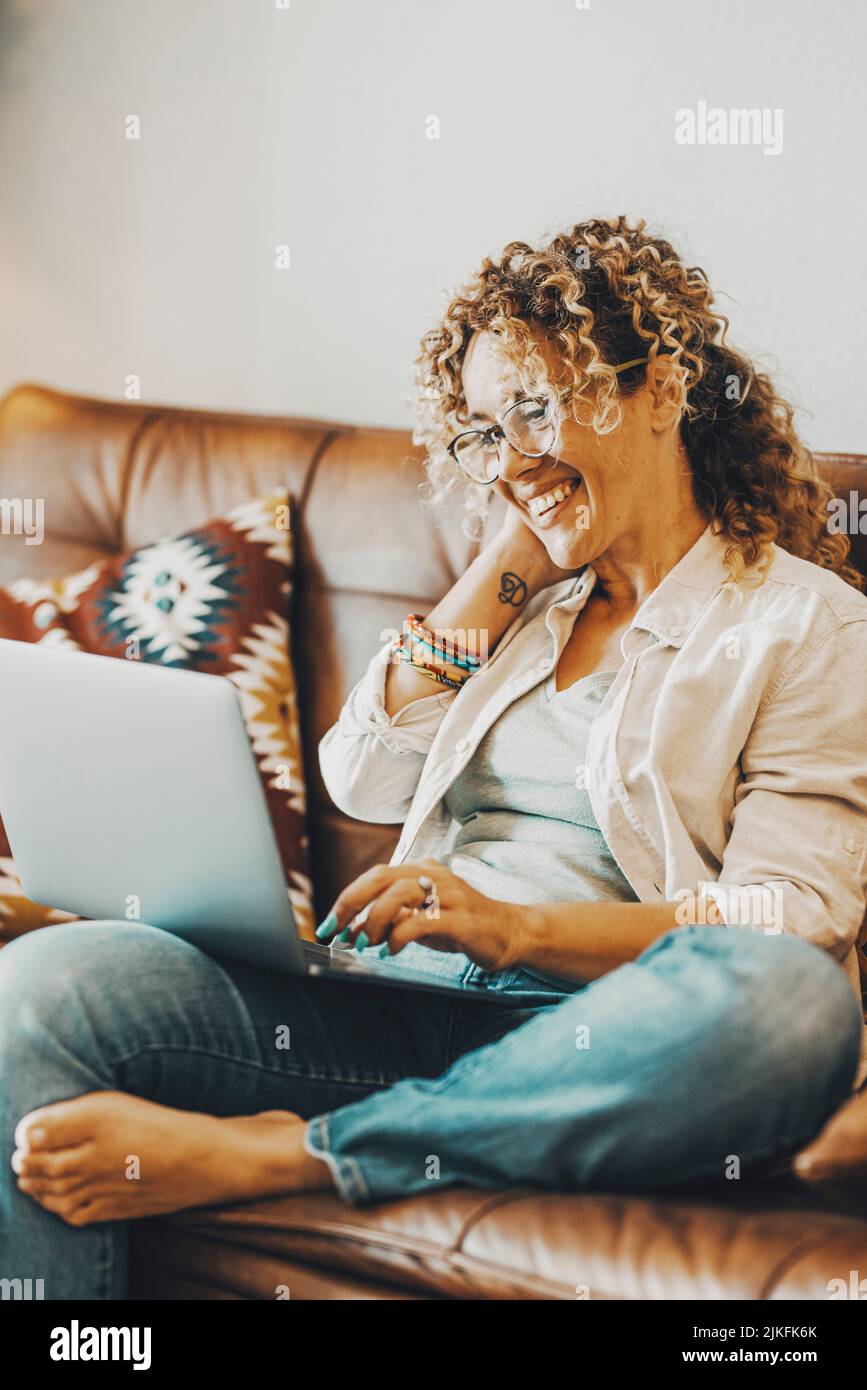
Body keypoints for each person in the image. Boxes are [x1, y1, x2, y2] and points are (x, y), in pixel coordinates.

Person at [2, 216, 865, 1300]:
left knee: (791, 1002)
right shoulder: (529, 603)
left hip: (589, 1037)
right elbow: (359, 775)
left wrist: (518, 928)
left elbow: (789, 915)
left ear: (662, 388)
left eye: (538, 409)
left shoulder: (804, 624)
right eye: (486, 432)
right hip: (385, 997)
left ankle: (294, 1152)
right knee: (40, 986)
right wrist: (514, 546)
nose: (509, 460)